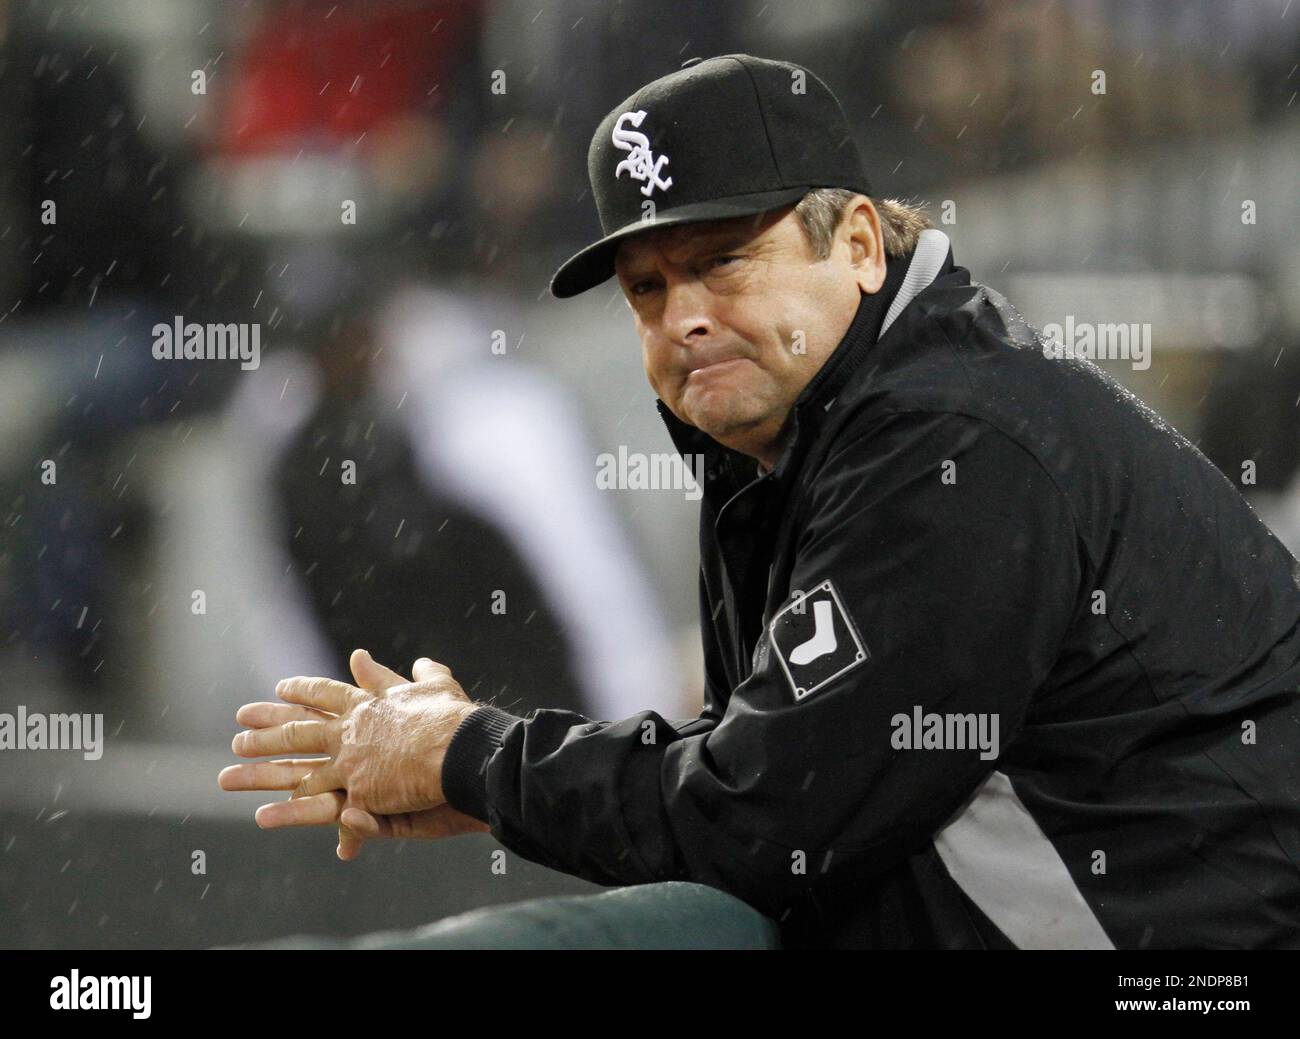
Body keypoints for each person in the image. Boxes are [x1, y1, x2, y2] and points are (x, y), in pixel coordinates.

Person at [219, 54, 1300, 949]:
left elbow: (769, 820)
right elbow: (769, 779)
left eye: (724, 260)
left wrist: (475, 756)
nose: (683, 316)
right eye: (648, 287)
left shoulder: (952, 443)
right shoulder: (806, 420)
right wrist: (485, 781)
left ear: (861, 246)